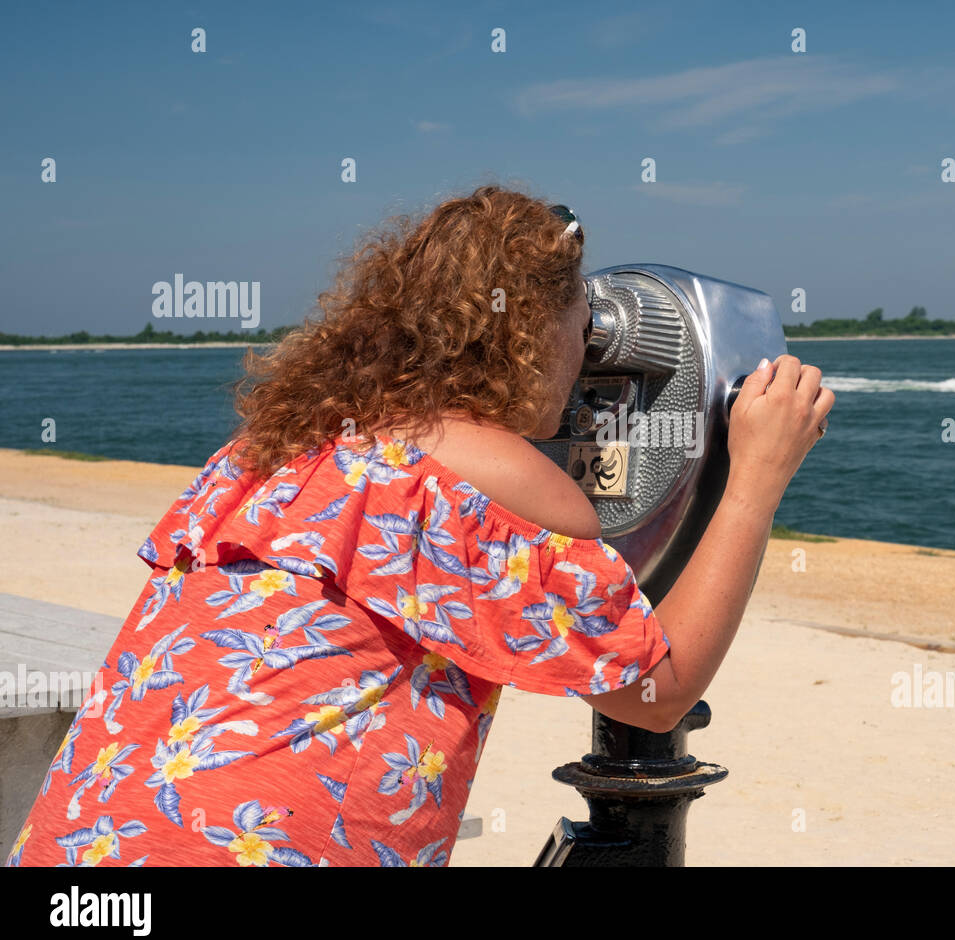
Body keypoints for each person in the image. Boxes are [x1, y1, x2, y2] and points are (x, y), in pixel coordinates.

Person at [5, 184, 833, 867]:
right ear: (533, 335)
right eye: (580, 330)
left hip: (84, 846)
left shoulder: (275, 448)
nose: (586, 360)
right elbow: (658, 692)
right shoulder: (493, 478)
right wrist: (754, 481)